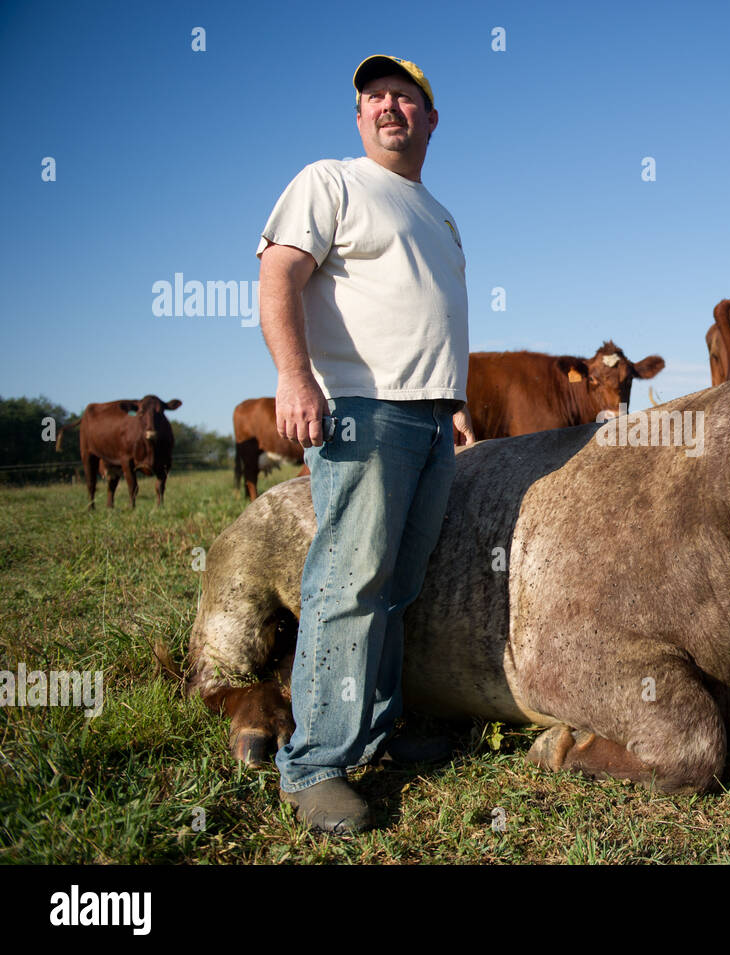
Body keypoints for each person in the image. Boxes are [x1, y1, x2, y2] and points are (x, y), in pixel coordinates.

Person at [256, 54, 475, 834]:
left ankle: (378, 727)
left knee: (396, 586)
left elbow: (428, 315)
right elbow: (279, 273)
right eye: (375, 97)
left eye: (405, 97)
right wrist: (293, 375)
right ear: (359, 118)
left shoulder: (438, 214)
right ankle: (315, 762)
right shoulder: (331, 181)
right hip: (361, 410)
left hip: (428, 417)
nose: (389, 107)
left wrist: (451, 402)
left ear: (430, 117)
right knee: (347, 583)